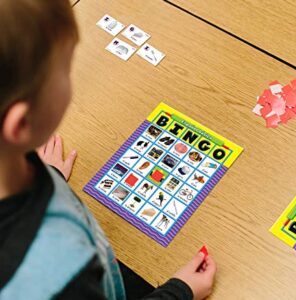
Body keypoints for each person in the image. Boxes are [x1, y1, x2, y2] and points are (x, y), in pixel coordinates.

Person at [0, 1, 217, 299]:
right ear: (21, 124)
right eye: (65, 69)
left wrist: (47, 175)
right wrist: (179, 292)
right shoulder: (61, 276)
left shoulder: (12, 162)